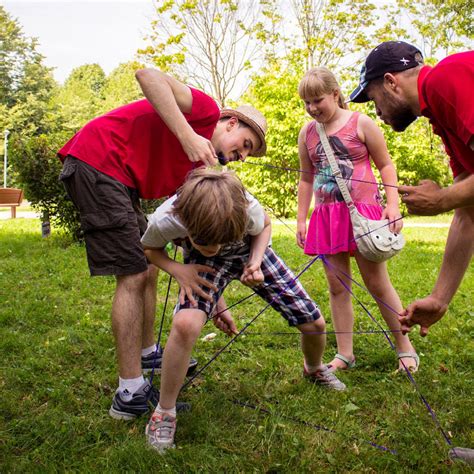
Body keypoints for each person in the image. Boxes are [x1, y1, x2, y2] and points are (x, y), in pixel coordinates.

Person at [57, 68, 268, 420]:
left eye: (248, 155)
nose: (240, 156)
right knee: (134, 275)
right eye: (245, 144)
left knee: (148, 269)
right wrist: (187, 134)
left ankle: (148, 352)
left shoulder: (195, 173)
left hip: (122, 181)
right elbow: (148, 76)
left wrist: (216, 300)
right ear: (230, 122)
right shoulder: (204, 110)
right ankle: (129, 393)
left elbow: (185, 239)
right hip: (99, 161)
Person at [141, 168, 346, 452]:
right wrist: (179, 270)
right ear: (186, 222)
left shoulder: (247, 208)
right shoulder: (169, 217)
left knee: (314, 323)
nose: (214, 248)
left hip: (249, 251)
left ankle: (313, 368)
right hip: (199, 265)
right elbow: (150, 249)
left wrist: (255, 260)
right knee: (185, 325)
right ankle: (164, 412)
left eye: (220, 241)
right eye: (205, 240)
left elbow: (263, 227)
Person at [296, 67, 418, 374]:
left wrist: (392, 204)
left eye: (317, 100)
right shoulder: (308, 133)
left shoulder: (360, 123)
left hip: (363, 214)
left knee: (378, 284)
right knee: (338, 288)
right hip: (327, 217)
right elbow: (306, 180)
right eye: (306, 102)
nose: (312, 108)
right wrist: (302, 219)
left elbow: (386, 165)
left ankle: (405, 347)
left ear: (335, 94)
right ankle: (345, 353)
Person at [349, 41, 473, 337]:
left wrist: (441, 198)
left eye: (373, 98)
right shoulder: (441, 116)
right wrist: (439, 298)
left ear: (391, 82)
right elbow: (468, 213)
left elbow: (453, 202)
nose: (377, 112)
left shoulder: (446, 77)